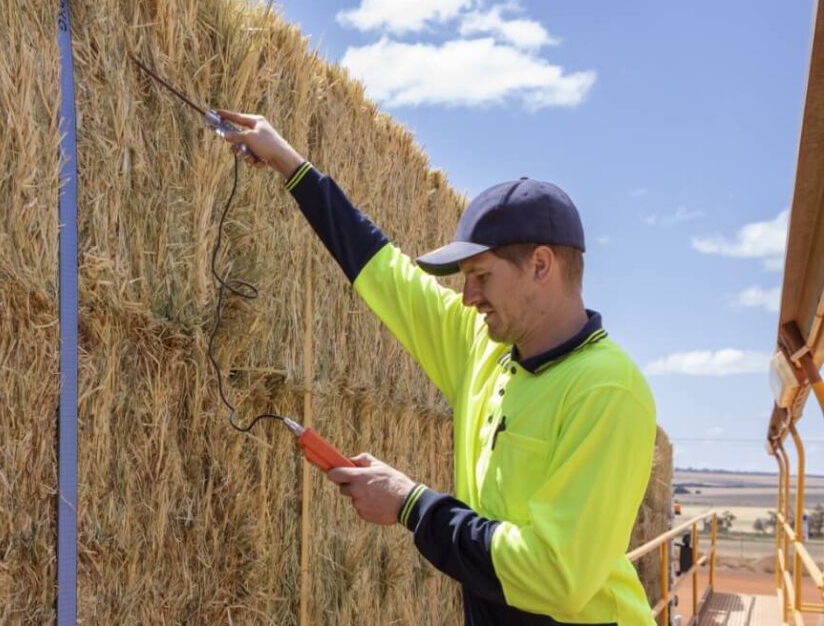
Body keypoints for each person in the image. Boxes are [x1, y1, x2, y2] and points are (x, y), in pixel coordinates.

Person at [216, 109, 658, 625]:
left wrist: (411, 505)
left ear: (541, 265)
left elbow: (555, 577)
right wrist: (291, 165)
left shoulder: (606, 390)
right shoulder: (484, 348)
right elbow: (386, 274)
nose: (467, 296)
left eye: (481, 276)